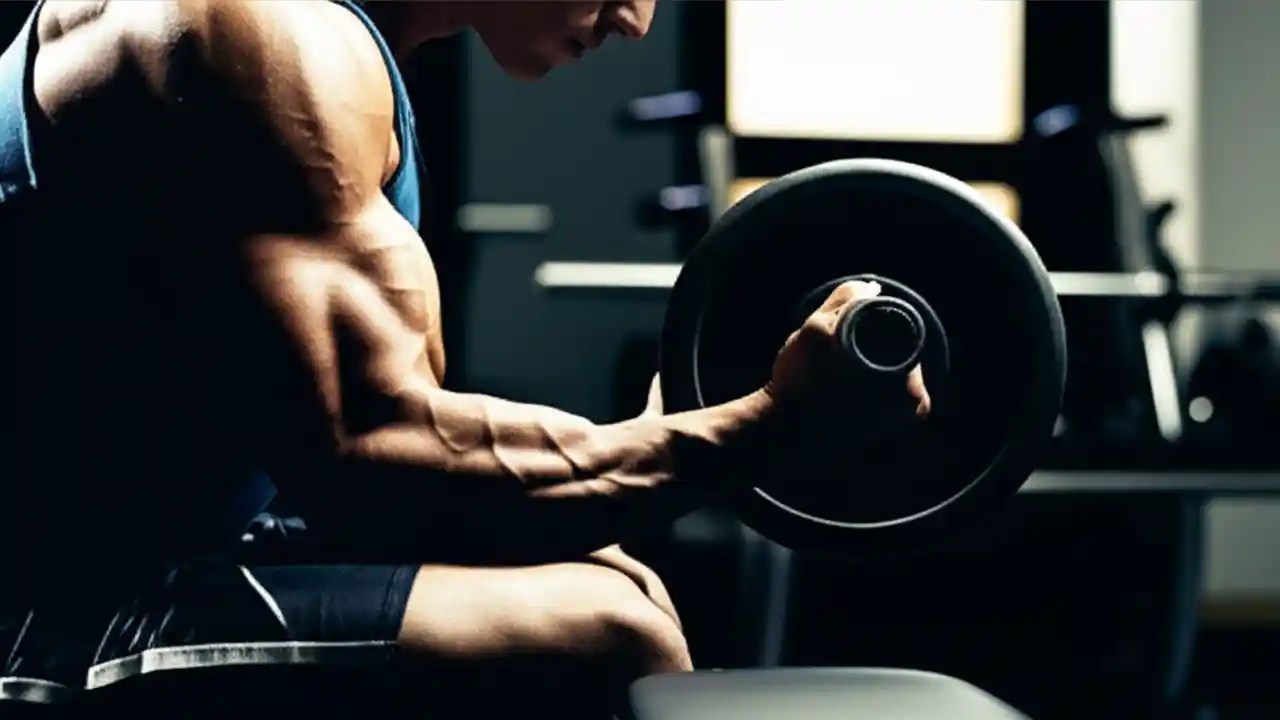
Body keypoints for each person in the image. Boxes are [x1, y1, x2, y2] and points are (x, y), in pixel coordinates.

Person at [0, 1, 929, 715]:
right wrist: (756, 431)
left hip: (160, 545)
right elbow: (377, 452)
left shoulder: (328, 47)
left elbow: (363, 432)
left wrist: (665, 439)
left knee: (609, 571)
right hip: (43, 614)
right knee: (605, 633)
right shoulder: (260, 38)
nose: (636, 19)